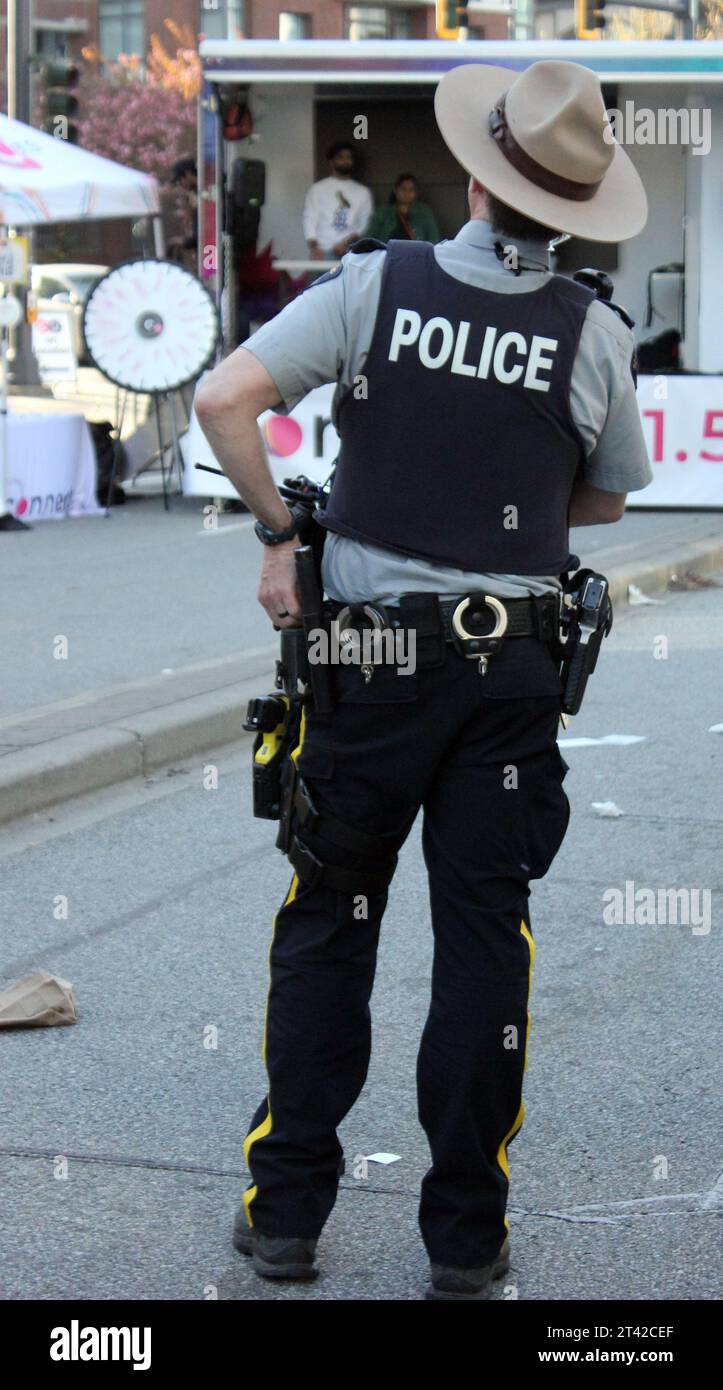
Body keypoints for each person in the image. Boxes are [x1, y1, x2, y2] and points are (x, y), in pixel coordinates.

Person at [195, 59, 653, 1300]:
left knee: (330, 926)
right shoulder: (596, 331)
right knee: (483, 946)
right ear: (572, 208)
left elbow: (225, 398)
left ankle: (284, 1215)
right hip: (511, 663)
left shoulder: (371, 287)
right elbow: (604, 495)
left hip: (367, 657)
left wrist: (284, 537)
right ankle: (466, 1242)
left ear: (472, 176)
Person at [302, 141, 373, 260]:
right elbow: (309, 218)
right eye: (340, 157)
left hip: (351, 253)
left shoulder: (363, 192)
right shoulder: (317, 189)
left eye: (349, 157)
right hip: (322, 252)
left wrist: (347, 243)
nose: (345, 161)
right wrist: (314, 248)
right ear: (331, 161)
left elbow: (366, 223)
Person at [365, 172, 440, 243]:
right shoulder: (383, 212)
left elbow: (433, 237)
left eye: (411, 190)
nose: (407, 193)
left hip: (416, 253)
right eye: (403, 189)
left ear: (415, 192)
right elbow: (368, 235)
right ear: (395, 190)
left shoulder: (424, 212)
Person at [166, 156, 198, 266]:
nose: (180, 185)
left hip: (211, 253)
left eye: (180, 180)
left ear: (188, 173)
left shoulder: (202, 198)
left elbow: (201, 236)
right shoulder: (196, 195)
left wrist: (182, 242)